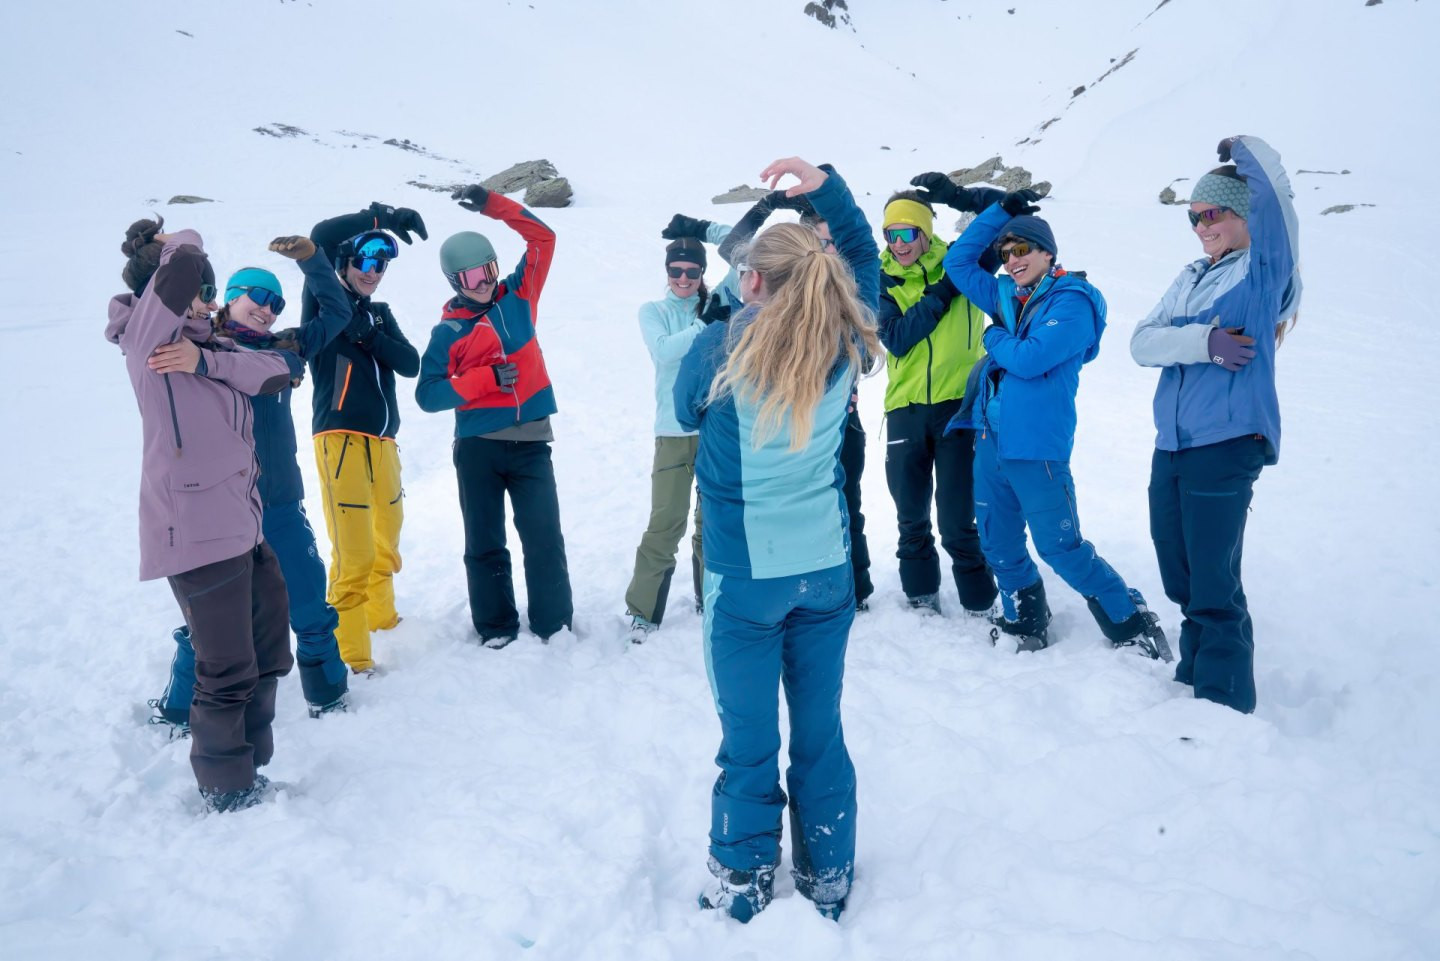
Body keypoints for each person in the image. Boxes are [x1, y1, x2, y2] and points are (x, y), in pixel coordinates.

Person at [675, 157, 880, 923]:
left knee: (750, 740)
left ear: (753, 283)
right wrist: (824, 184)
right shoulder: (847, 341)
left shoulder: (721, 351)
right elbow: (857, 258)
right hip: (825, 573)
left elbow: (684, 407)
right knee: (820, 731)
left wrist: (737, 301)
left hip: (745, 579)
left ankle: (742, 876)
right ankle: (827, 871)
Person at [108, 220, 297, 813]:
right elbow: (185, 260)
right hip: (194, 532)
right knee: (226, 667)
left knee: (268, 650)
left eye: (216, 294)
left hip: (242, 524)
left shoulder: (210, 349)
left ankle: (251, 764)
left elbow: (279, 371)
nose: (213, 303)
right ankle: (227, 787)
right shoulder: (146, 343)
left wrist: (204, 362)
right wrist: (173, 245)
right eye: (206, 292)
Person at [941, 194, 1171, 659]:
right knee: (997, 541)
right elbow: (958, 261)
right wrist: (1001, 212)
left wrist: (991, 335)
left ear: (1048, 253)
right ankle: (1024, 616)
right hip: (990, 439)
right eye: (1006, 254)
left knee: (1060, 545)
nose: (1012, 261)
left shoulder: (1074, 302)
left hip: (1037, 448)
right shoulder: (1008, 296)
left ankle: (1129, 619)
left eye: (1023, 249)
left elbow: (1030, 359)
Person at [148, 237, 359, 732]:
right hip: (222, 513)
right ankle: (178, 710)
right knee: (212, 622)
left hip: (281, 504)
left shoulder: (286, 349)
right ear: (231, 298)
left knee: (309, 605)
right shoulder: (199, 349)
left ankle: (328, 695)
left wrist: (313, 259)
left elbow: (337, 311)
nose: (268, 309)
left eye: (276, 303)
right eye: (257, 298)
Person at [1130, 136, 1301, 714]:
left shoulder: (1262, 272)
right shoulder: (1190, 277)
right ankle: (1193, 680)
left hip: (1227, 442)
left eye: (1214, 213)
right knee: (1179, 569)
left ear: (1243, 214)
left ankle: (1223, 702)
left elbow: (1278, 205)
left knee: (1213, 580)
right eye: (1194, 216)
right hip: (1173, 444)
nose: (1202, 225)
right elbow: (1141, 343)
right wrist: (1203, 340)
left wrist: (1249, 152)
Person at [416, 185, 572, 646]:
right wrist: (484, 379)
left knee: (544, 537)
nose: (482, 281)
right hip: (478, 449)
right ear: (454, 283)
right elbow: (427, 394)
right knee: (484, 543)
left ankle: (552, 623)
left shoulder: (519, 296)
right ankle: (496, 625)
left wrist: (491, 204)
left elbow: (542, 238)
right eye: (469, 276)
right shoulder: (448, 332)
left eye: (486, 270)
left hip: (531, 445)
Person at [713, 189, 879, 612]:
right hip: (794, 440)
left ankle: (857, 588)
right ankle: (841, 586)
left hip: (829, 427)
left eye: (831, 244)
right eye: (818, 244)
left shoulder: (730, 337)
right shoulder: (850, 328)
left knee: (845, 498)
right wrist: (784, 200)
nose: (826, 253)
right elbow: (731, 246)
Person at [304, 203, 426, 674]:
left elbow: (410, 363)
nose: (374, 273)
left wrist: (370, 334)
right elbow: (319, 231)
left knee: (386, 542)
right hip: (341, 442)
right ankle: (352, 657)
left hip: (384, 444)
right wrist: (382, 218)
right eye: (365, 262)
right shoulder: (324, 306)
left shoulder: (379, 313)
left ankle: (385, 621)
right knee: (353, 553)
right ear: (342, 263)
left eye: (382, 265)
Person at [876, 173, 1006, 616]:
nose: (898, 243)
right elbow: (896, 338)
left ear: (925, 231)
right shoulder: (880, 281)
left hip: (958, 409)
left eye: (907, 232)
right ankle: (920, 598)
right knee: (911, 519)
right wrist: (944, 292)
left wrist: (957, 196)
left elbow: (1007, 212)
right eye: (890, 234)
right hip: (905, 411)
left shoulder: (966, 263)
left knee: (958, 521)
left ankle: (979, 601)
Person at [619, 225, 727, 642]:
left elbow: (748, 257)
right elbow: (664, 350)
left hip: (717, 425)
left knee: (714, 518)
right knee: (667, 519)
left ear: (702, 272)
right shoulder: (653, 311)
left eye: (692, 272)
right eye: (676, 271)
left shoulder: (719, 302)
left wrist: (708, 229)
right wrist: (706, 324)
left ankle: (712, 598)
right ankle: (644, 611)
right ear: (666, 272)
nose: (683, 279)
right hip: (673, 430)